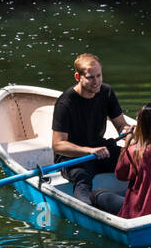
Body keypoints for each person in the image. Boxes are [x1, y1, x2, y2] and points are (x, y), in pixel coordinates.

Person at [51, 53, 134, 205]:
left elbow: (122, 126)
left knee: (136, 161)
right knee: (82, 179)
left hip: (102, 151)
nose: (96, 82)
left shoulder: (106, 92)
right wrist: (88, 151)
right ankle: (89, 211)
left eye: (99, 76)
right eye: (90, 77)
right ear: (78, 77)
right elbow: (58, 145)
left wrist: (127, 132)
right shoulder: (65, 103)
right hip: (74, 158)